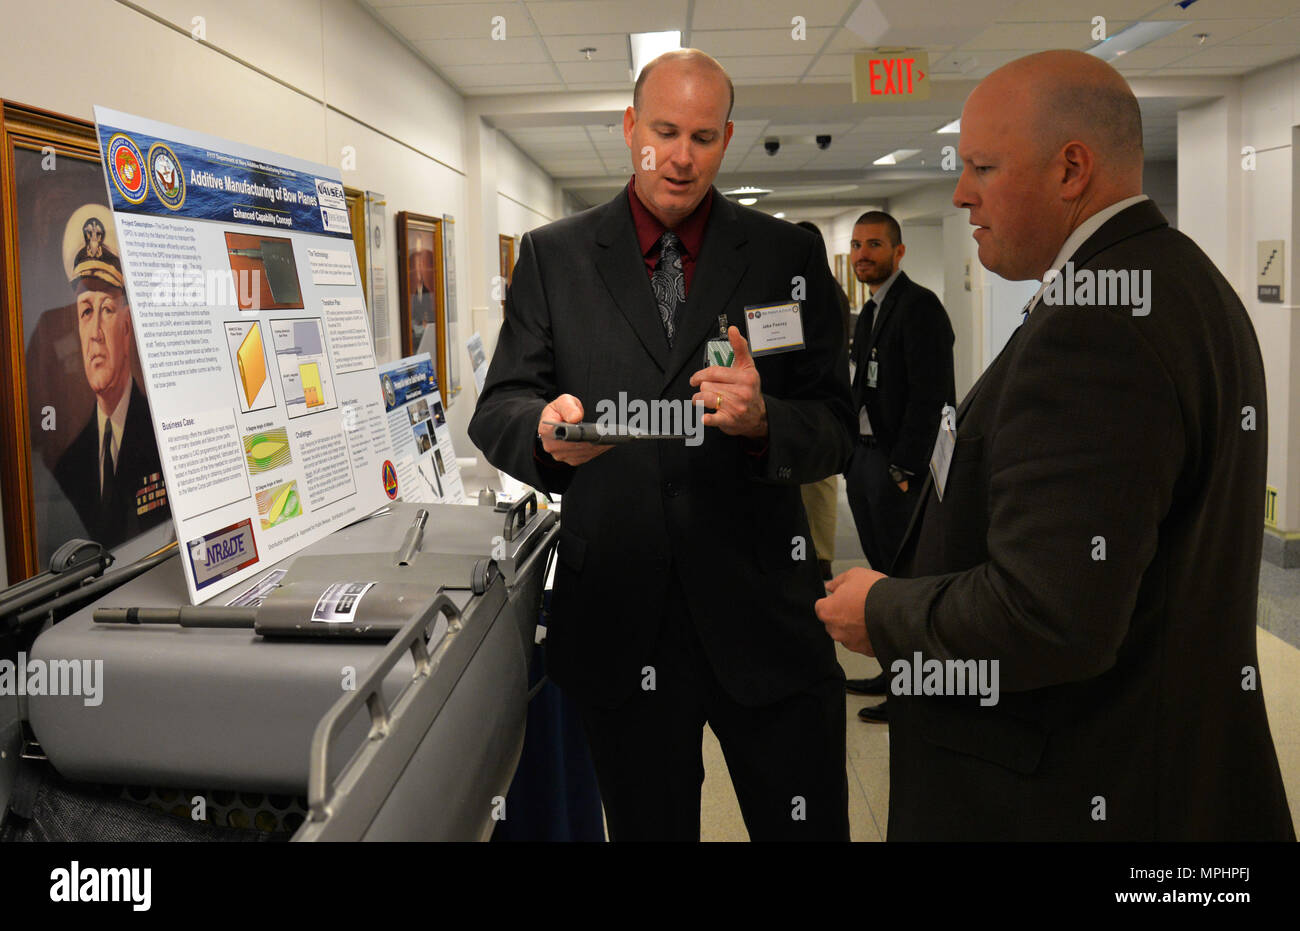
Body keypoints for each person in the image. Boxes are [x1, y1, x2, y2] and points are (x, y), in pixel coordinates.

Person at [816, 49, 1294, 840]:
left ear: (1072, 168)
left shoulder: (1094, 328)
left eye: (982, 166)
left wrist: (885, 608)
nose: (963, 193)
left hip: (1081, 784)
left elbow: (1048, 613)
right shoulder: (1178, 280)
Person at [469, 49, 855, 841]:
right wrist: (543, 435)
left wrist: (764, 421)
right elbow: (501, 402)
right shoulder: (555, 256)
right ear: (629, 129)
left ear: (728, 138)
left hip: (767, 624)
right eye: (665, 131)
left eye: (705, 137)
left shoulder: (786, 256)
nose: (682, 156)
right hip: (620, 619)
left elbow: (838, 423)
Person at [841, 212, 954, 724]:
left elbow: (931, 398)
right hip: (864, 458)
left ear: (899, 252)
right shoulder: (869, 312)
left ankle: (915, 688)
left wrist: (905, 467)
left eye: (875, 245)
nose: (864, 254)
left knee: (905, 578)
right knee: (882, 572)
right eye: (858, 245)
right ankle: (893, 674)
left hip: (895, 466)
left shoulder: (920, 308)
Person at [53, 211, 168, 550]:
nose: (96, 334)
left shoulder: (163, 438)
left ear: (127, 325)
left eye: (107, 309)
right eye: (87, 312)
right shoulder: (69, 466)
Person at [794, 220, 851, 582]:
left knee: (818, 493)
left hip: (815, 414)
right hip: (798, 415)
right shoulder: (801, 291)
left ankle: (820, 563)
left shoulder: (825, 294)